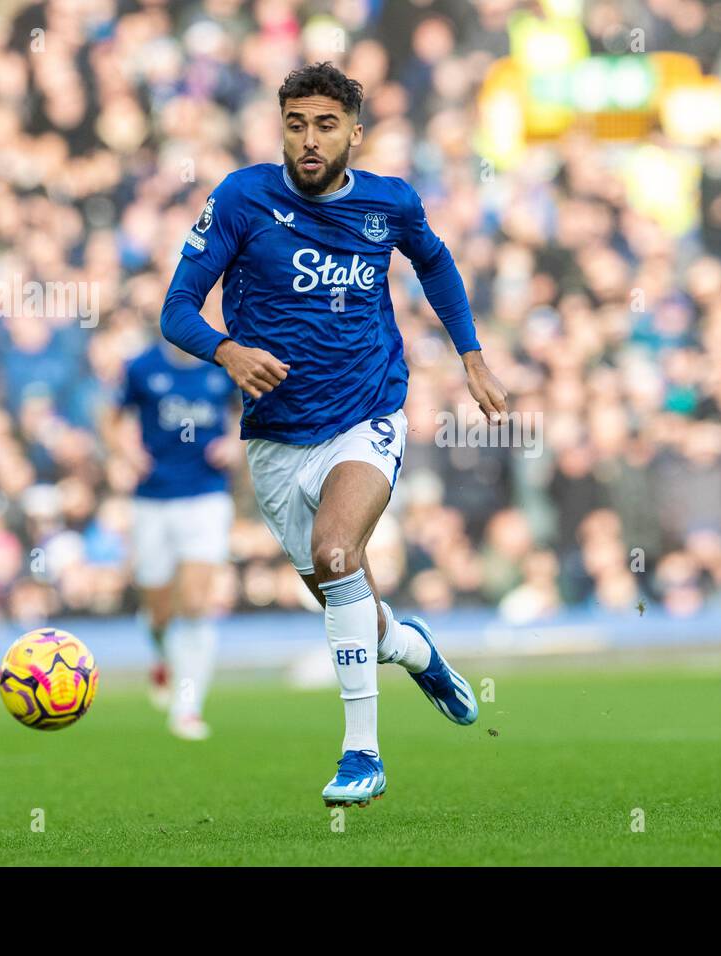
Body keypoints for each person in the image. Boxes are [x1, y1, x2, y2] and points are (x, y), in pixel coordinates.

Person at [160, 61, 508, 806]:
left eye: (324, 124)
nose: (309, 140)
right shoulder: (241, 198)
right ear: (279, 127)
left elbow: (436, 263)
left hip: (368, 414)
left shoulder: (391, 203)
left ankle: (362, 754)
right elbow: (177, 308)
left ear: (355, 131)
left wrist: (472, 357)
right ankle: (415, 652)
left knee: (336, 551)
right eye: (295, 124)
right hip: (275, 440)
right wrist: (226, 349)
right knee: (351, 606)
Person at [114, 337, 240, 741]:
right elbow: (113, 415)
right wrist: (125, 451)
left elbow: (246, 411)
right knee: (159, 612)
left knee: (196, 603)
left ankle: (187, 708)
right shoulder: (142, 367)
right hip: (152, 498)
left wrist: (235, 442)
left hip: (206, 496)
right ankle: (162, 656)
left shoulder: (224, 364)